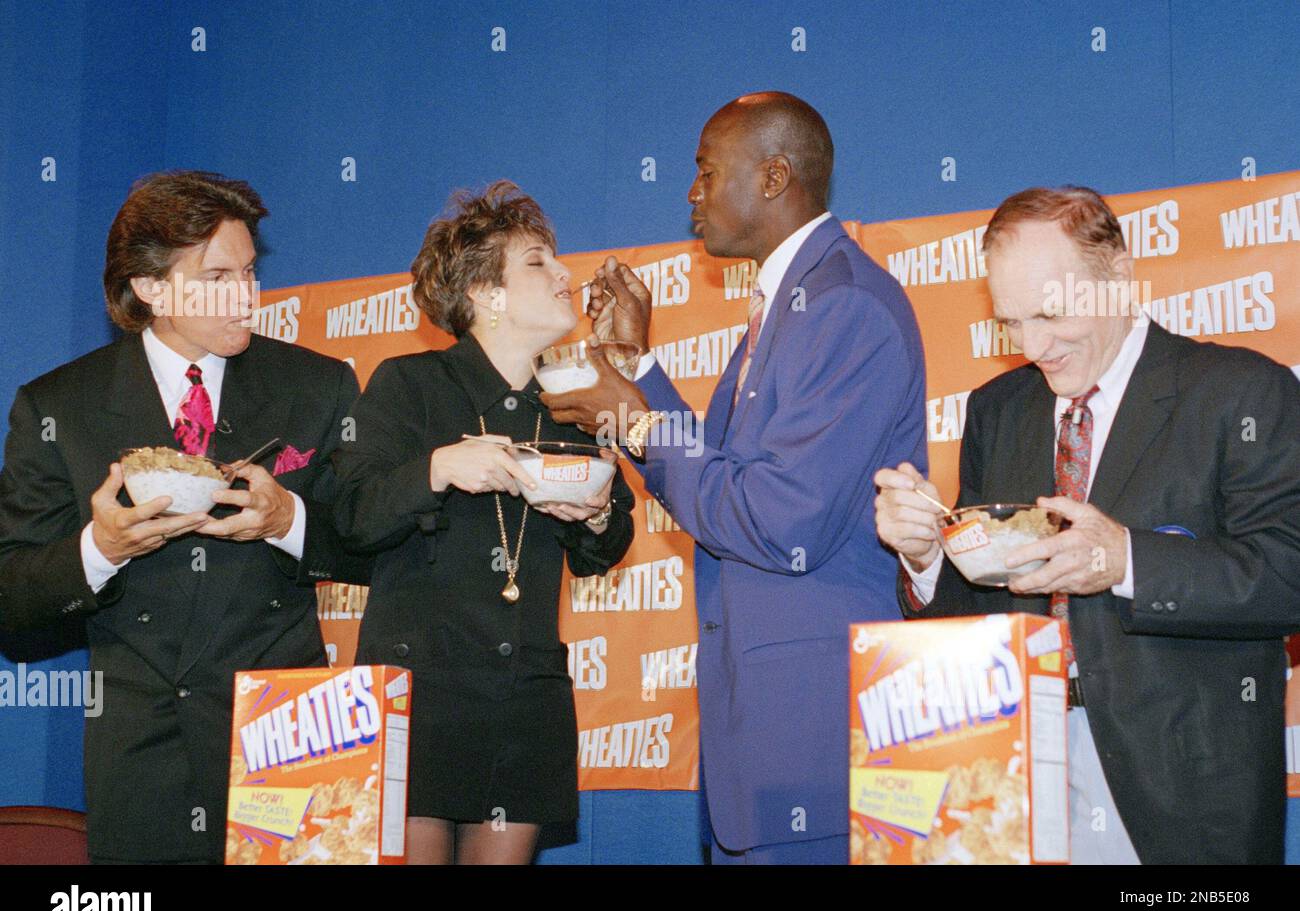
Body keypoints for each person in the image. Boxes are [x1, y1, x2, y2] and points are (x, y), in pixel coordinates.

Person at [543, 92, 928, 864]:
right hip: (757, 738)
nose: (691, 193)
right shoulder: (789, 300)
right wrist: (640, 371)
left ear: (775, 176)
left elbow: (778, 518)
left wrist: (638, 420)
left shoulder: (842, 304)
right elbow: (714, 475)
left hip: (811, 740)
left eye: (706, 172)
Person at [874, 185, 1300, 864]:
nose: (1034, 346)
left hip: (1182, 792)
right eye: (1012, 322)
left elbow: (1287, 574)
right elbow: (980, 610)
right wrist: (927, 557)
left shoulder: (1239, 391)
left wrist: (1126, 560)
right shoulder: (998, 410)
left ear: (1119, 275)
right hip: (1014, 778)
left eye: (1051, 313)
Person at [0, 170, 370, 863]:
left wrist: (286, 517)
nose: (246, 296)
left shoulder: (319, 385)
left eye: (250, 272)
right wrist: (98, 548)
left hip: (289, 735)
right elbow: (12, 603)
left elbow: (373, 544)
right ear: (149, 288)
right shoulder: (58, 408)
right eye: (218, 276)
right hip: (143, 756)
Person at [330, 181, 635, 865]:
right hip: (421, 696)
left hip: (523, 698)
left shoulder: (570, 402)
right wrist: (437, 468)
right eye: (538, 263)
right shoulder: (409, 384)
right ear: (484, 295)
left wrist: (594, 515)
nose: (566, 276)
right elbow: (348, 517)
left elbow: (607, 545)